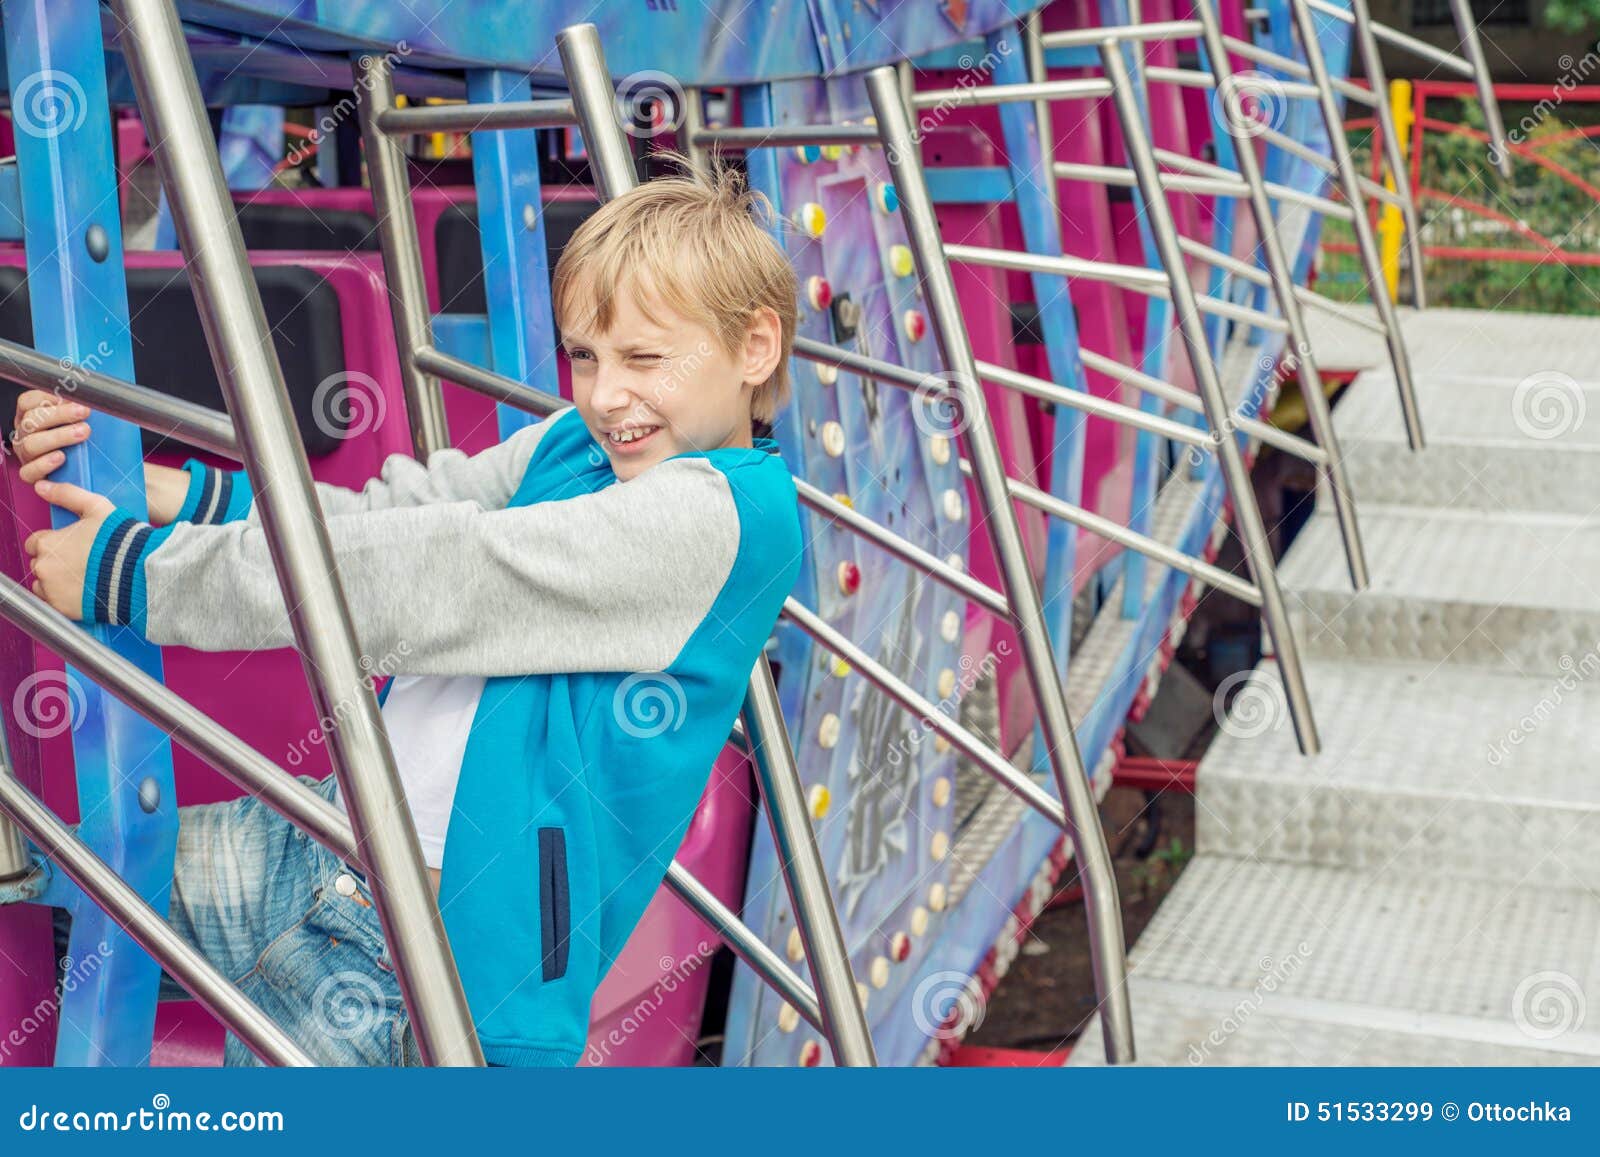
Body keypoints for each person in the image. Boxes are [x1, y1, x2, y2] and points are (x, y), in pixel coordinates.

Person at [18, 157, 803, 1067]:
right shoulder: (579, 442)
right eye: (584, 355)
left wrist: (142, 575)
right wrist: (194, 500)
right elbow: (404, 516)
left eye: (643, 358)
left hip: (417, 963)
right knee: (54, 882)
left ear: (755, 347)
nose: (603, 394)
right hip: (320, 838)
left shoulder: (720, 517)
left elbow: (447, 573)